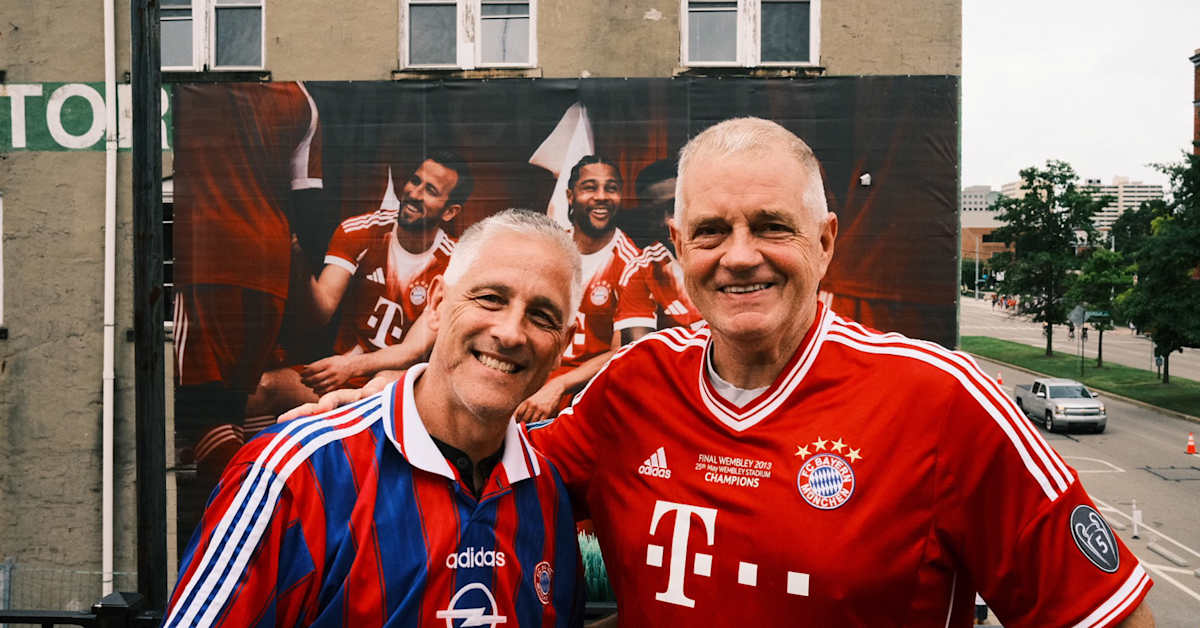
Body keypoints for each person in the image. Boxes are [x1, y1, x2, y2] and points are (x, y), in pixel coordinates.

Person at [285, 119, 1154, 626]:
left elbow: (1107, 612)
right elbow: (487, 488)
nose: (740, 258)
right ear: (680, 254)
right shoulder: (634, 386)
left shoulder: (941, 400)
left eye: (771, 226)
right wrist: (321, 453)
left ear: (826, 242)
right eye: (709, 232)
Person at [165, 209, 586, 627]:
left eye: (542, 316)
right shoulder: (295, 472)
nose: (511, 333)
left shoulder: (546, 493)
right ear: (437, 304)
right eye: (491, 298)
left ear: (563, 345)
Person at [246, 151, 473, 427]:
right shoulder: (361, 231)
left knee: (382, 382)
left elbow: (413, 350)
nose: (414, 193)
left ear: (450, 212)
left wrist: (351, 366)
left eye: (431, 191)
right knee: (261, 389)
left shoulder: (456, 261)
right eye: (415, 181)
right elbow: (321, 311)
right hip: (342, 375)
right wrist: (297, 257)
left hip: (399, 386)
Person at [512, 155, 656, 423]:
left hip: (582, 394)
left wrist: (558, 386)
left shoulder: (632, 263)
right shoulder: (549, 248)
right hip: (529, 378)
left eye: (610, 188)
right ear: (570, 195)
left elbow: (626, 351)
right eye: (590, 187)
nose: (601, 196)